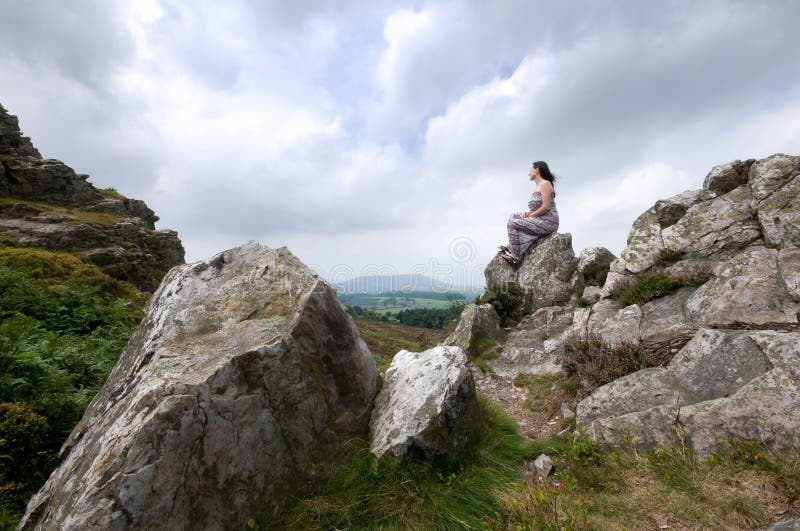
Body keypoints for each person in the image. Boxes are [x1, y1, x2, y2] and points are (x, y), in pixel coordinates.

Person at [499, 161, 559, 265]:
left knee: (512, 224)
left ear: (537, 170)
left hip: (549, 222)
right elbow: (536, 209)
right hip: (538, 219)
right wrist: (527, 214)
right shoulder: (538, 186)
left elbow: (546, 207)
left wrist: (530, 215)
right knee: (513, 216)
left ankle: (515, 257)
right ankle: (514, 246)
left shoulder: (546, 184)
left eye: (530, 170)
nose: (528, 173)